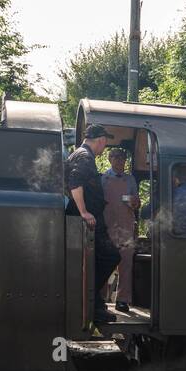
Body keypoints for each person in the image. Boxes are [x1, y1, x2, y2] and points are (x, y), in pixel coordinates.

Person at [65, 123, 119, 325]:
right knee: (111, 256)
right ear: (101, 140)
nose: (104, 148)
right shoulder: (85, 156)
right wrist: (84, 212)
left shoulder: (79, 154)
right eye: (105, 143)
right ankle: (89, 299)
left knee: (96, 260)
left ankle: (94, 301)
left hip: (89, 219)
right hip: (88, 220)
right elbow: (75, 182)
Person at [102, 148, 140, 312]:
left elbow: (137, 203)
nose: (120, 161)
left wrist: (134, 202)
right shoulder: (103, 178)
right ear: (110, 159)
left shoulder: (130, 180)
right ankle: (100, 299)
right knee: (104, 263)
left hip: (125, 227)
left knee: (125, 264)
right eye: (116, 157)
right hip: (107, 227)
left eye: (123, 158)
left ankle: (123, 300)